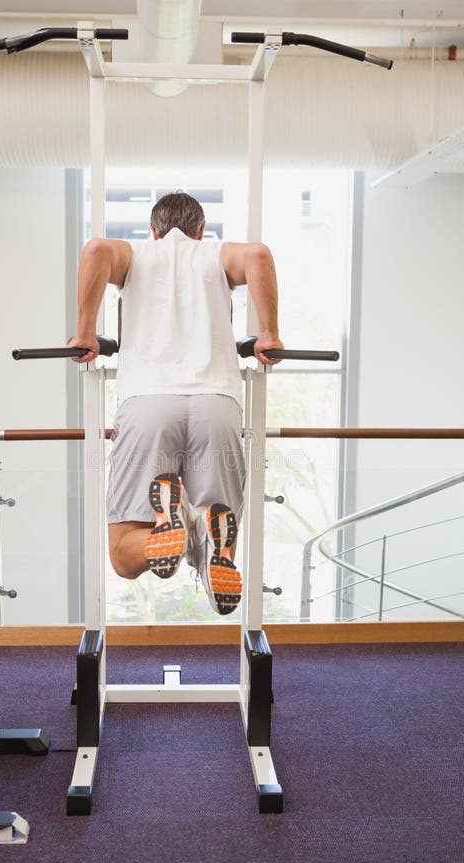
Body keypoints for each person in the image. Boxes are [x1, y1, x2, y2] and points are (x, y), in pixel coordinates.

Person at [69, 192, 282, 615]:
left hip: (148, 404)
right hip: (217, 405)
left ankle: (166, 536)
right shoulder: (215, 255)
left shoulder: (137, 254)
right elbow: (257, 255)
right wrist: (269, 334)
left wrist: (85, 333)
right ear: (201, 231)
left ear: (154, 230)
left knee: (122, 555)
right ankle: (202, 545)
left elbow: (95, 250)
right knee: (217, 518)